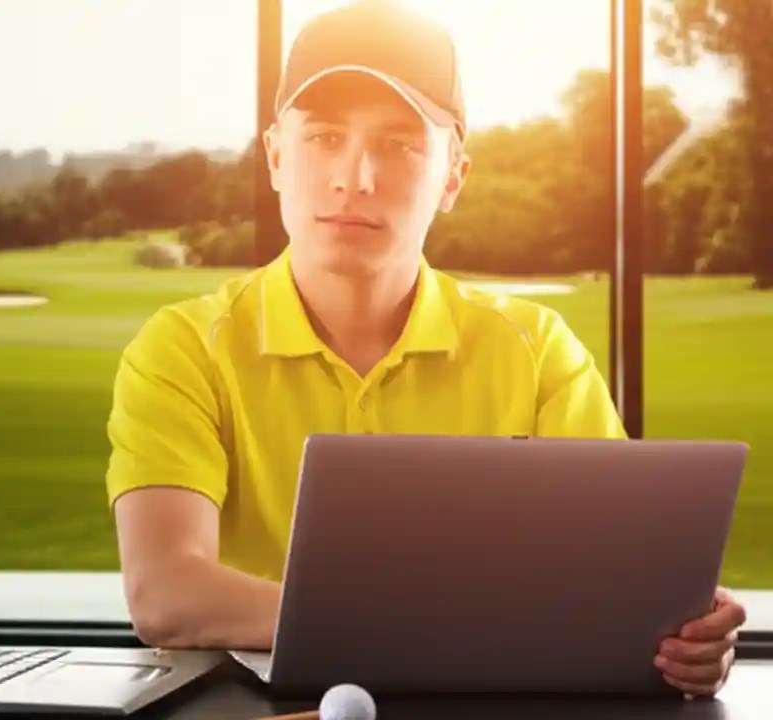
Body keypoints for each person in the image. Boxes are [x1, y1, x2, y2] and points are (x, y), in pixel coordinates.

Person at [102, 0, 746, 700]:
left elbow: (622, 583)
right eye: (323, 137)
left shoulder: (537, 352)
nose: (356, 177)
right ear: (277, 157)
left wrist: (686, 639)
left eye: (401, 145)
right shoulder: (183, 349)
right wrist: (424, 626)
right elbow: (165, 594)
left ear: (454, 177)